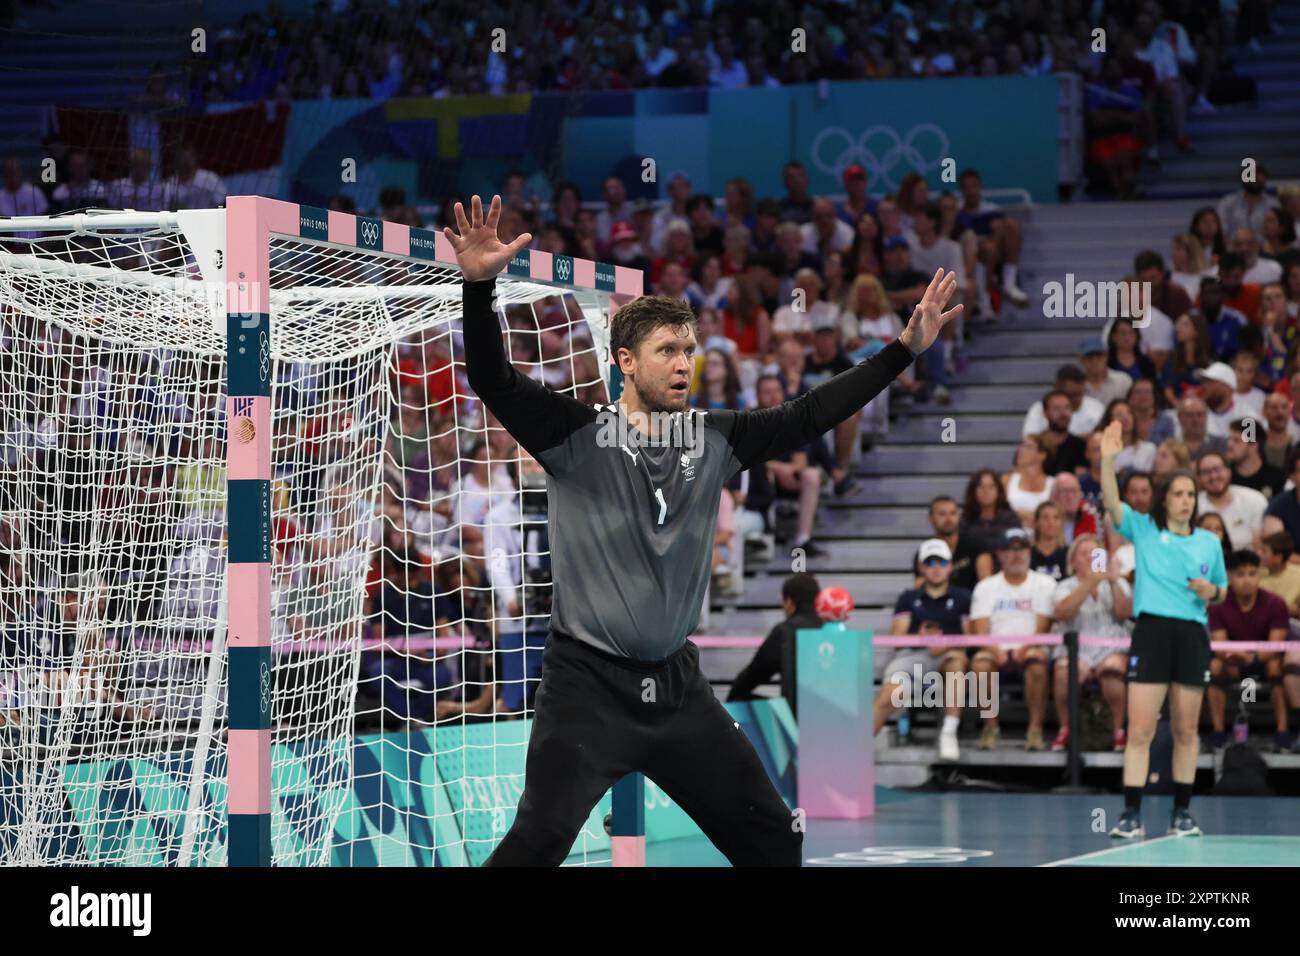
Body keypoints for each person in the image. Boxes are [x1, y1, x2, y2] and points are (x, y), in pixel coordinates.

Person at [449, 195, 962, 866]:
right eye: (666, 351)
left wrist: (900, 352)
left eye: (688, 349)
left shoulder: (716, 437)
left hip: (677, 690)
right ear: (625, 362)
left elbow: (810, 414)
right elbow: (493, 378)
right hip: (584, 689)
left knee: (775, 840)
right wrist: (479, 287)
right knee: (539, 841)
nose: (682, 362)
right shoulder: (574, 434)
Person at [1098, 418, 1226, 839]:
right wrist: (1107, 460)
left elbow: (1221, 592)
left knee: (1188, 730)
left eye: (1191, 495)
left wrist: (1212, 591)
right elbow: (1113, 505)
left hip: (1191, 635)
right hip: (1151, 633)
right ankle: (1131, 815)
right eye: (1178, 494)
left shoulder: (1209, 542)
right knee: (1140, 730)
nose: (1186, 501)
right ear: (1164, 499)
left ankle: (1182, 814)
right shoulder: (1145, 528)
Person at [872, 538, 972, 762]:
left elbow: (971, 637)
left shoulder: (963, 598)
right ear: (921, 567)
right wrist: (920, 638)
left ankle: (948, 732)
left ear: (950, 566)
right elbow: (897, 639)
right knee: (889, 694)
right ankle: (855, 748)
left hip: (949, 655)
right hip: (912, 656)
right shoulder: (908, 598)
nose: (936, 568)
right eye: (931, 562)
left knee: (956, 663)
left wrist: (947, 643)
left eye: (942, 562)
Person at [969, 528, 1057, 751]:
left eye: (1022, 548)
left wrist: (1024, 648)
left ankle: (1034, 730)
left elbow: (1044, 627)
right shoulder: (986, 586)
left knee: (1036, 662)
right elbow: (980, 631)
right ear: (999, 554)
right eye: (1010, 549)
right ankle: (990, 727)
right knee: (979, 664)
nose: (1016, 554)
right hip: (994, 647)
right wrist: (998, 651)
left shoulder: (1045, 583)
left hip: (1031, 647)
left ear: (1029, 552)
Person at [1049, 533, 1132, 752]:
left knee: (1112, 670)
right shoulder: (1064, 586)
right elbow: (1062, 613)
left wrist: (1113, 581)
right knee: (1065, 672)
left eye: (1094, 554)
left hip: (1111, 648)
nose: (1088, 558)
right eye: (1083, 554)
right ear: (1073, 561)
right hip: (1076, 651)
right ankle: (1065, 728)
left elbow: (1124, 613)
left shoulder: (1116, 582)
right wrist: (1088, 584)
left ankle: (1117, 731)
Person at [1206, 550, 1291, 752]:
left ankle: (1282, 732)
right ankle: (1218, 733)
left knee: (1275, 666)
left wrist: (1251, 659)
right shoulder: (1217, 606)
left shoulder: (1276, 604)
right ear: (1229, 577)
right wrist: (1234, 658)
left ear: (1259, 575)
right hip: (1232, 661)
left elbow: (1276, 645)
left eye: (1252, 574)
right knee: (1214, 666)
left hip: (1263, 660)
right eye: (1240, 574)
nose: (1247, 580)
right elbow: (1219, 646)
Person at [726, 572, 823, 717]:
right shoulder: (835, 632)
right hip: (835, 721)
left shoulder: (785, 632)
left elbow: (752, 676)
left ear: (789, 602)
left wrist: (730, 700)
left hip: (796, 724)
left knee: (737, 700)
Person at [911, 495, 991, 590]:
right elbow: (919, 585)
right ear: (931, 519)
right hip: (938, 602)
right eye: (942, 514)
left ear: (959, 516)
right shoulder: (925, 551)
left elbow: (986, 584)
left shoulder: (976, 545)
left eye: (953, 513)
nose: (948, 519)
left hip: (973, 602)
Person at [1195, 451, 1267, 551]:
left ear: (1229, 471)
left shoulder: (1254, 500)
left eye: (1217, 470)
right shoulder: (1192, 505)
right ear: (1198, 478)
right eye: (1206, 472)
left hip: (1247, 562)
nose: (1213, 476)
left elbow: (1260, 545)